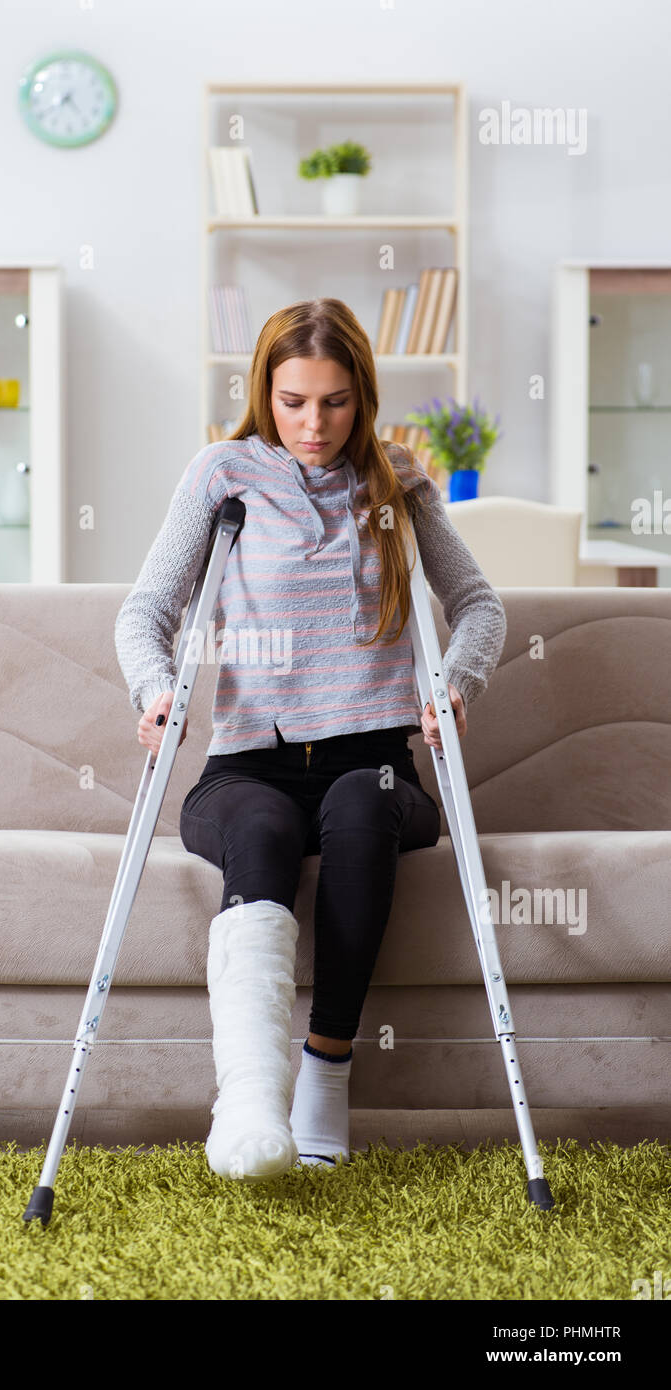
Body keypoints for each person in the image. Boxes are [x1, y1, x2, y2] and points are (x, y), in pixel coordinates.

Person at [114, 297, 507, 1183]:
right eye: (292, 401)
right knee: (259, 832)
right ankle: (250, 1098)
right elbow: (147, 612)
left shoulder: (397, 481)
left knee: (360, 811)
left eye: (333, 402)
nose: (312, 424)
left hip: (370, 761)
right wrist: (155, 689)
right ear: (265, 392)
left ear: (361, 397)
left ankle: (324, 1075)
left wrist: (454, 683)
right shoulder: (224, 473)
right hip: (245, 763)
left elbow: (479, 605)